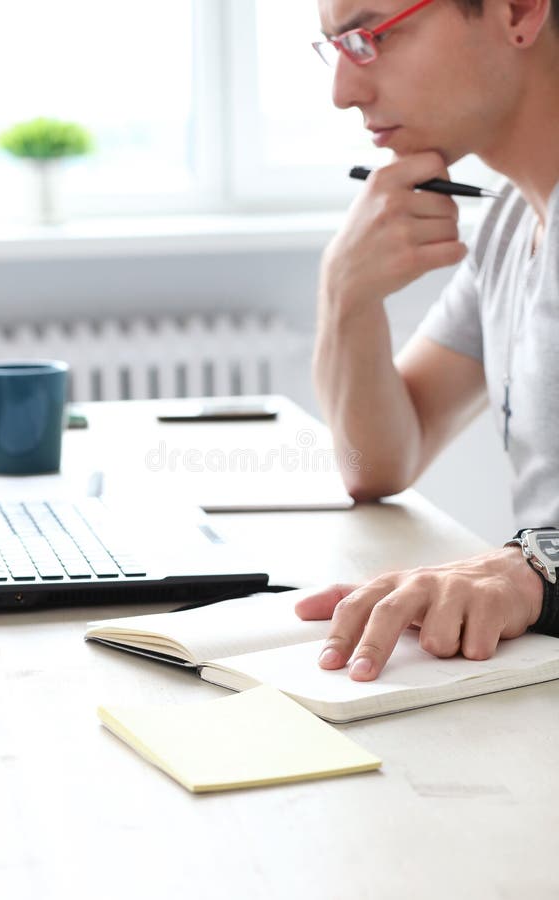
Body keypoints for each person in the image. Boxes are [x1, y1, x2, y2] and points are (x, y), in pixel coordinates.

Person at [295, 0, 559, 680]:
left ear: (519, 10)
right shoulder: (511, 221)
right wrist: (345, 295)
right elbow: (375, 462)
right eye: (337, 47)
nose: (343, 92)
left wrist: (533, 572)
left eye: (370, 35)